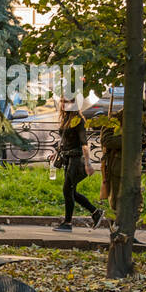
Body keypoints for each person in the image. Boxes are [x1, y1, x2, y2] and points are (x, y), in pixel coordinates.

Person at [54, 95, 103, 231]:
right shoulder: (66, 118)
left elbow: (84, 143)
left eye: (68, 102)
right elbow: (66, 138)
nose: (64, 104)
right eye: (62, 101)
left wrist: (88, 163)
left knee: (67, 190)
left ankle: (68, 223)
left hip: (76, 159)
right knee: (71, 191)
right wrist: (57, 151)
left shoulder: (79, 120)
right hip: (67, 158)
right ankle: (95, 212)